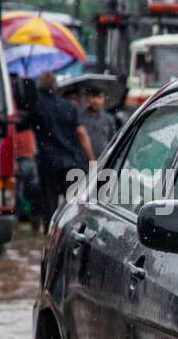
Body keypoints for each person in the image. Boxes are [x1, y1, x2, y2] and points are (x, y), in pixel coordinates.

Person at [32, 72, 95, 235]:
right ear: (56, 87)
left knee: (50, 204)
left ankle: (50, 234)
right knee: (73, 203)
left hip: (48, 164)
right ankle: (71, 233)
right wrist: (92, 160)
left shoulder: (37, 107)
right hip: (71, 163)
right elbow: (81, 133)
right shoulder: (70, 107)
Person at [79, 83, 118, 160]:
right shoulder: (79, 118)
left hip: (103, 162)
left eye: (99, 97)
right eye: (93, 97)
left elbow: (112, 141)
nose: (96, 101)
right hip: (82, 164)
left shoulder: (109, 119)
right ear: (87, 98)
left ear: (104, 99)